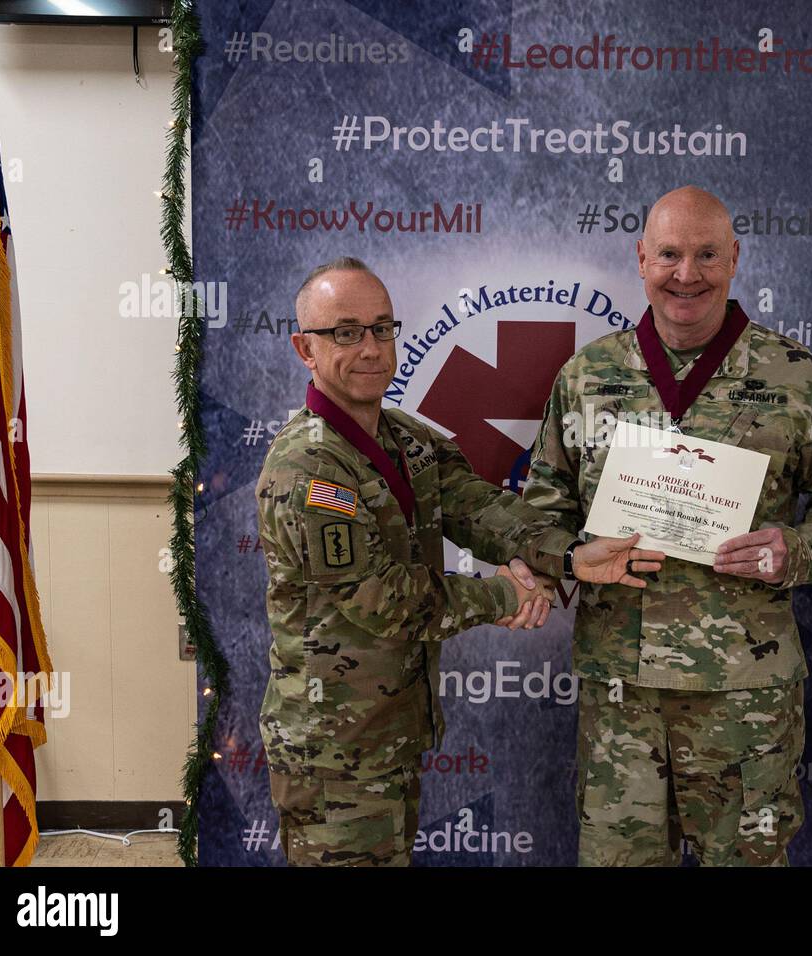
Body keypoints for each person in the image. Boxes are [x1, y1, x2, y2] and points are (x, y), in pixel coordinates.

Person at [257, 256, 661, 866]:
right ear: (304, 349)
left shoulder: (406, 438)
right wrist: (503, 597)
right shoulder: (307, 469)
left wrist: (573, 556)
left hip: (392, 729)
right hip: (332, 749)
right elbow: (381, 600)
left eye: (382, 328)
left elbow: (482, 512)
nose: (370, 347)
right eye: (345, 332)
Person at [525, 187, 812, 866]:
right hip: (621, 696)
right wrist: (563, 557)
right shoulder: (587, 376)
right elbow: (543, 505)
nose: (687, 274)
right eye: (670, 254)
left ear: (736, 258)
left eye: (707, 254)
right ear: (641, 258)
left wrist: (795, 548)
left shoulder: (797, 379)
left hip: (745, 698)